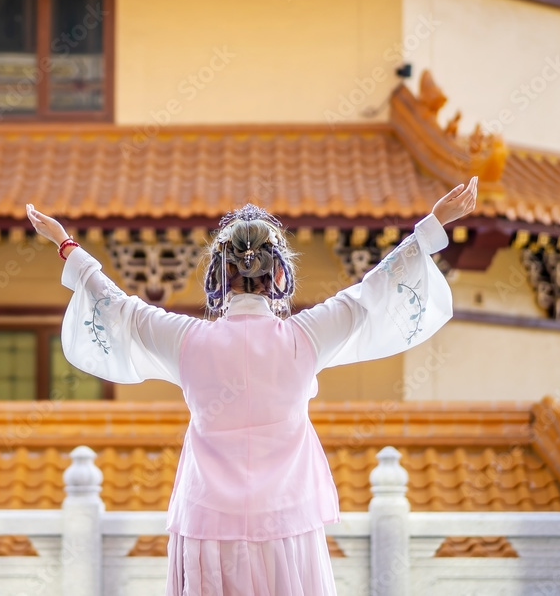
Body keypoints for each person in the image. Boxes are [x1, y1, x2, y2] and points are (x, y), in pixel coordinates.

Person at [25, 176, 477, 596]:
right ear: (278, 275)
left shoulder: (188, 341)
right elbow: (372, 293)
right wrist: (432, 226)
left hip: (205, 528)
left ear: (219, 276)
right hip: (287, 526)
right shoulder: (305, 338)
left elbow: (118, 308)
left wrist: (67, 245)